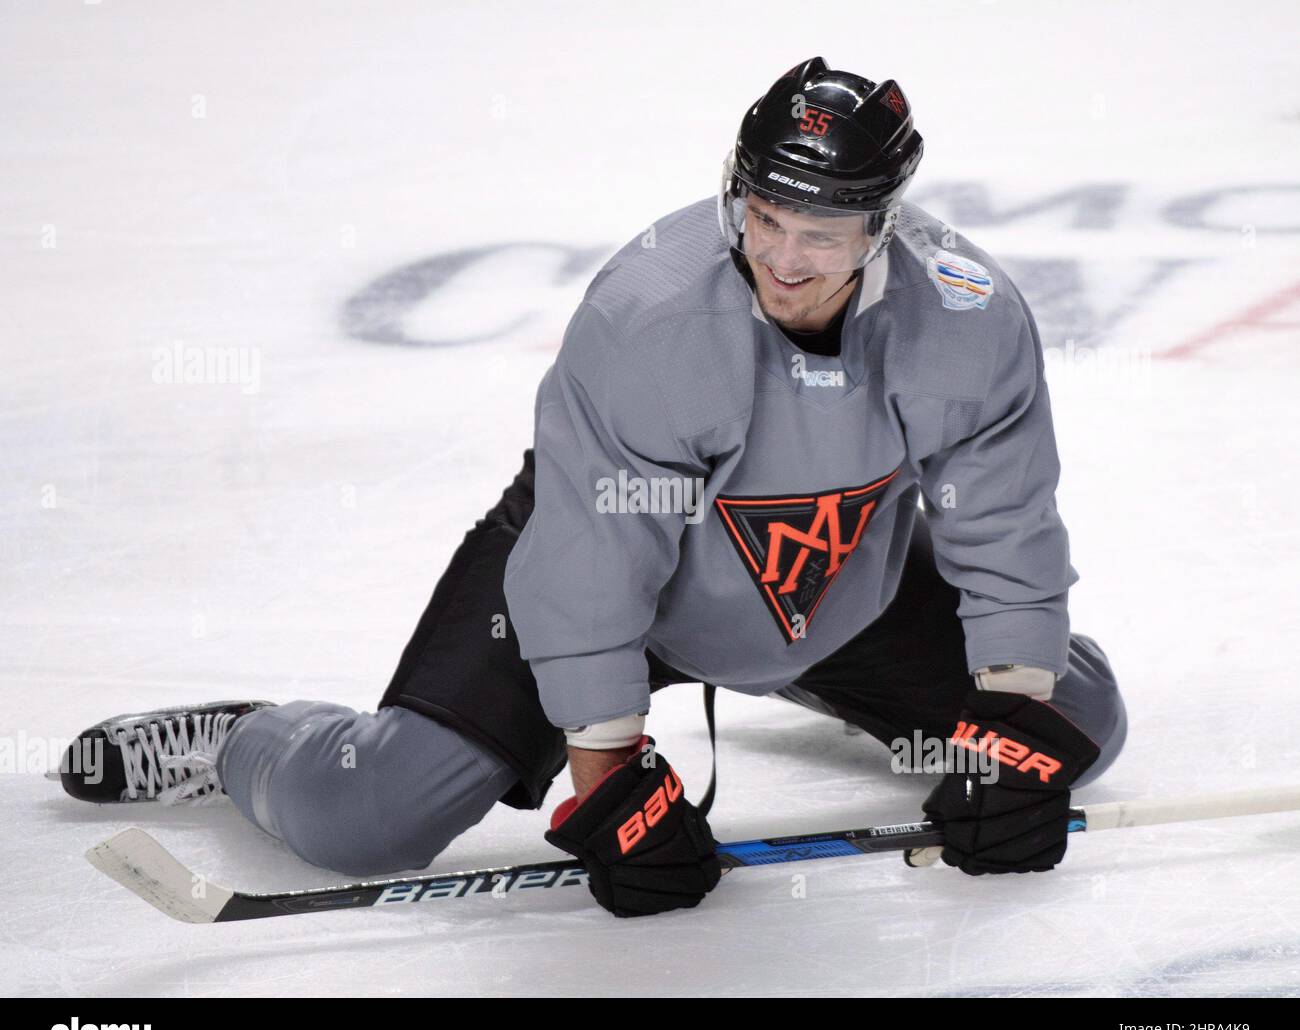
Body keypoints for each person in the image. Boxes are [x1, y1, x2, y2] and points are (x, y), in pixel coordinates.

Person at [58, 58, 1126, 918]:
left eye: (821, 233)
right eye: (763, 215)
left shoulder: (968, 315)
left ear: (882, 226)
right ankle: (243, 738)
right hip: (614, 561)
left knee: (1074, 720)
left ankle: (790, 667)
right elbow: (592, 564)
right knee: (366, 818)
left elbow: (1004, 518)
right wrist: (607, 772)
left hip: (830, 574)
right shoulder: (653, 316)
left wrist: (1009, 722)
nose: (783, 257)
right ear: (735, 192)